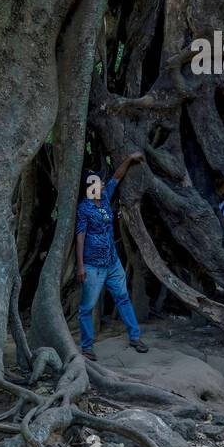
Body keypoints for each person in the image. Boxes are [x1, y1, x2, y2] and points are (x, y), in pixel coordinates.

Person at [75, 151, 148, 360]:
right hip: (93, 266)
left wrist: (130, 158)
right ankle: (87, 347)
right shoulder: (84, 208)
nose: (100, 184)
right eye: (96, 183)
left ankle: (135, 337)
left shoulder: (105, 196)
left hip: (112, 261)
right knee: (87, 307)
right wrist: (80, 266)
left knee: (123, 298)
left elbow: (117, 176)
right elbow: (80, 237)